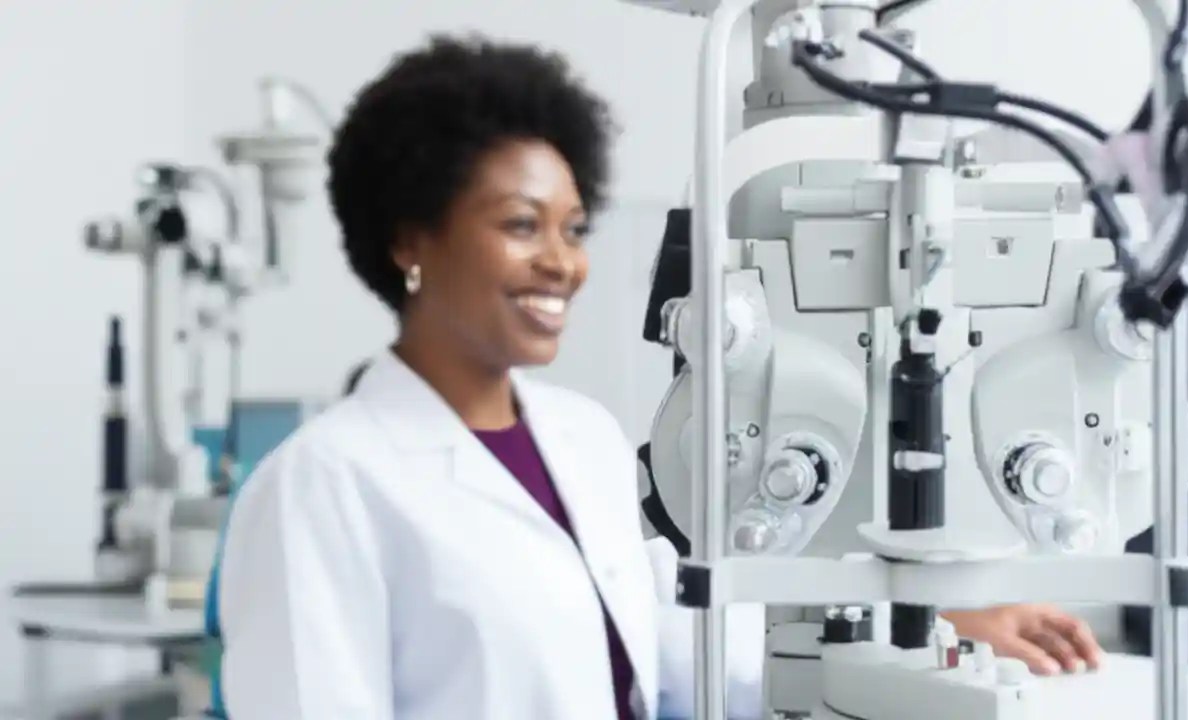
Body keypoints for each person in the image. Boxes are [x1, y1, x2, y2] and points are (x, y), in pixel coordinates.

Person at [215, 34, 1102, 720]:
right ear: (410, 239)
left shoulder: (581, 436)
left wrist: (925, 630)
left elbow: (682, 644)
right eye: (521, 225)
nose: (562, 262)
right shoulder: (324, 484)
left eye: (573, 229)